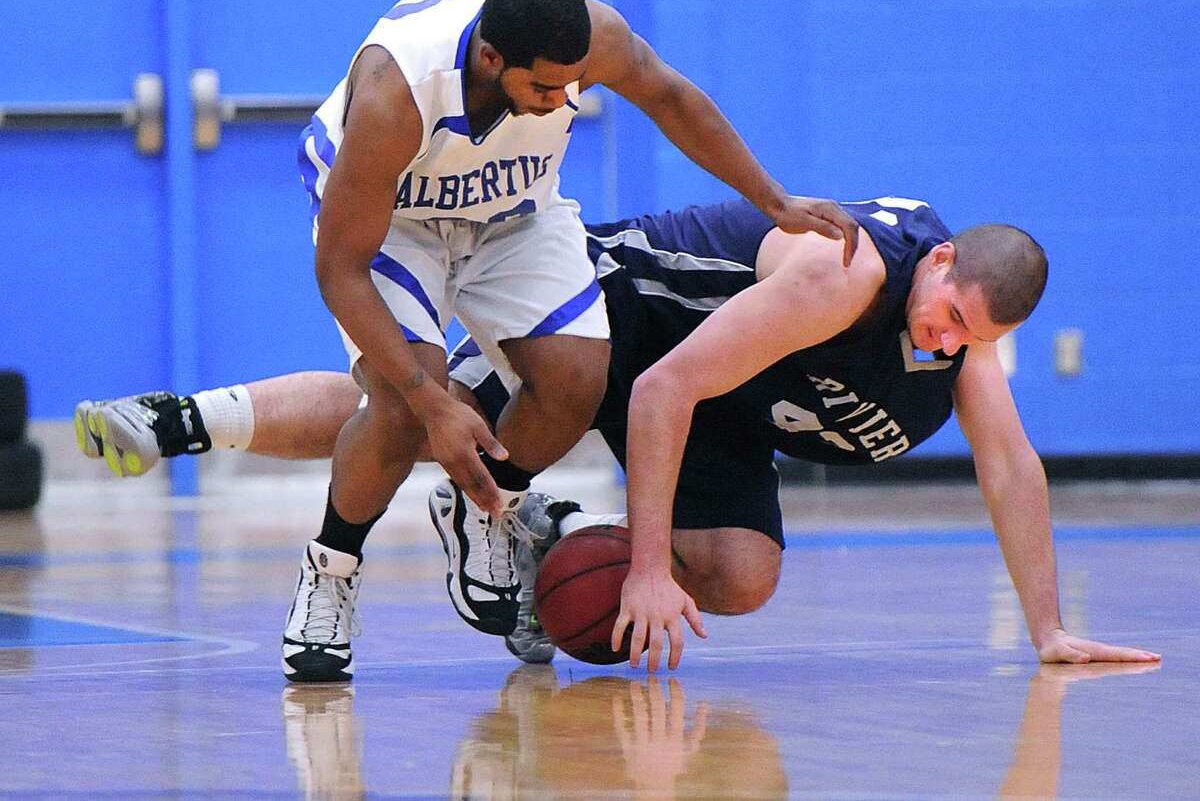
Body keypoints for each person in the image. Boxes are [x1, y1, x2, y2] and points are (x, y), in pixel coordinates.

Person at [76, 196, 1161, 673]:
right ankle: (185, 419)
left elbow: (1011, 468)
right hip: (627, 314)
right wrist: (640, 569)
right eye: (948, 312)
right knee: (419, 411)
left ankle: (534, 527)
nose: (944, 339)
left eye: (970, 338)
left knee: (740, 576)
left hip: (723, 397)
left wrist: (1050, 628)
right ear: (936, 265)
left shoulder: (959, 345)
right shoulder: (845, 276)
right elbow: (661, 393)